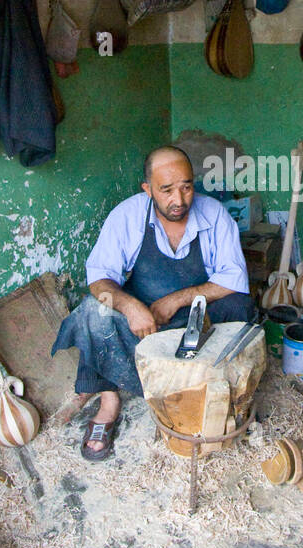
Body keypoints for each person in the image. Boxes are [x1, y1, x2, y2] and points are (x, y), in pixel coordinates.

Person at [51, 146, 253, 460]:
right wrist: (130, 307)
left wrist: (177, 300)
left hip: (194, 317)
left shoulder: (215, 214)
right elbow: (98, 279)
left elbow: (234, 278)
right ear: (148, 190)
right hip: (144, 320)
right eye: (167, 190)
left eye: (186, 187)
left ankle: (207, 392)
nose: (179, 200)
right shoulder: (127, 216)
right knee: (93, 312)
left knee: (241, 307)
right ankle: (109, 403)